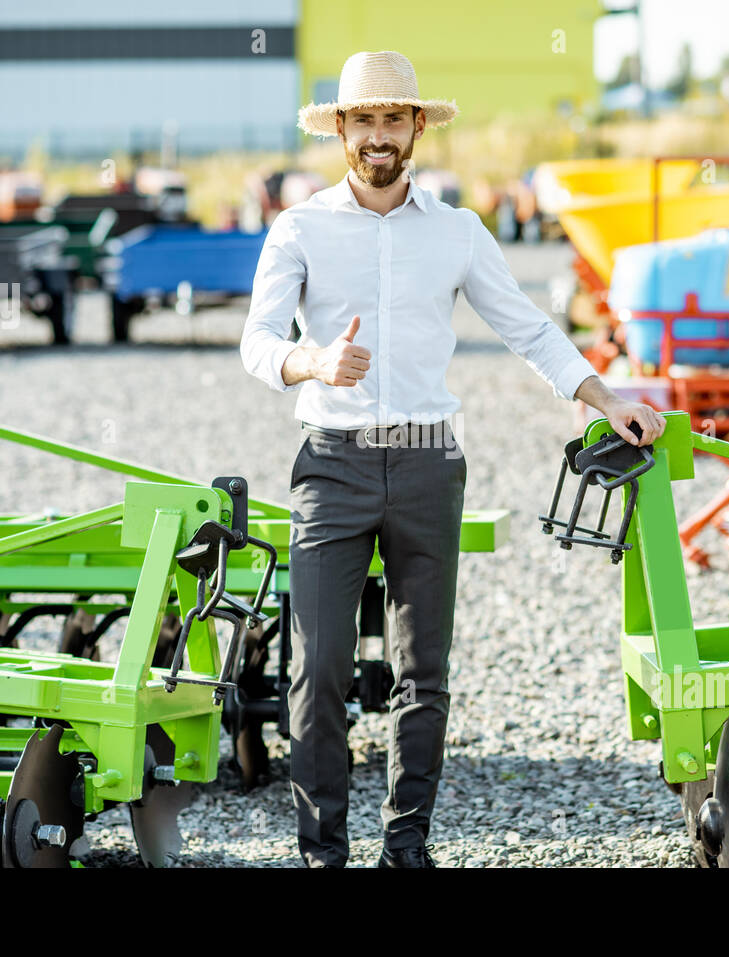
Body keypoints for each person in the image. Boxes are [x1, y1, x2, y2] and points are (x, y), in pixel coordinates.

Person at [240, 50, 665, 868]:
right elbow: (258, 343)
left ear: (417, 127)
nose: (377, 136)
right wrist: (313, 361)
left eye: (392, 119)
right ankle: (322, 852)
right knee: (318, 668)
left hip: (431, 463)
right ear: (339, 130)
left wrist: (605, 399)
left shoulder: (458, 232)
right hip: (331, 463)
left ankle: (407, 845)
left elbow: (529, 328)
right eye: (361, 120)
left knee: (421, 673)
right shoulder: (299, 228)